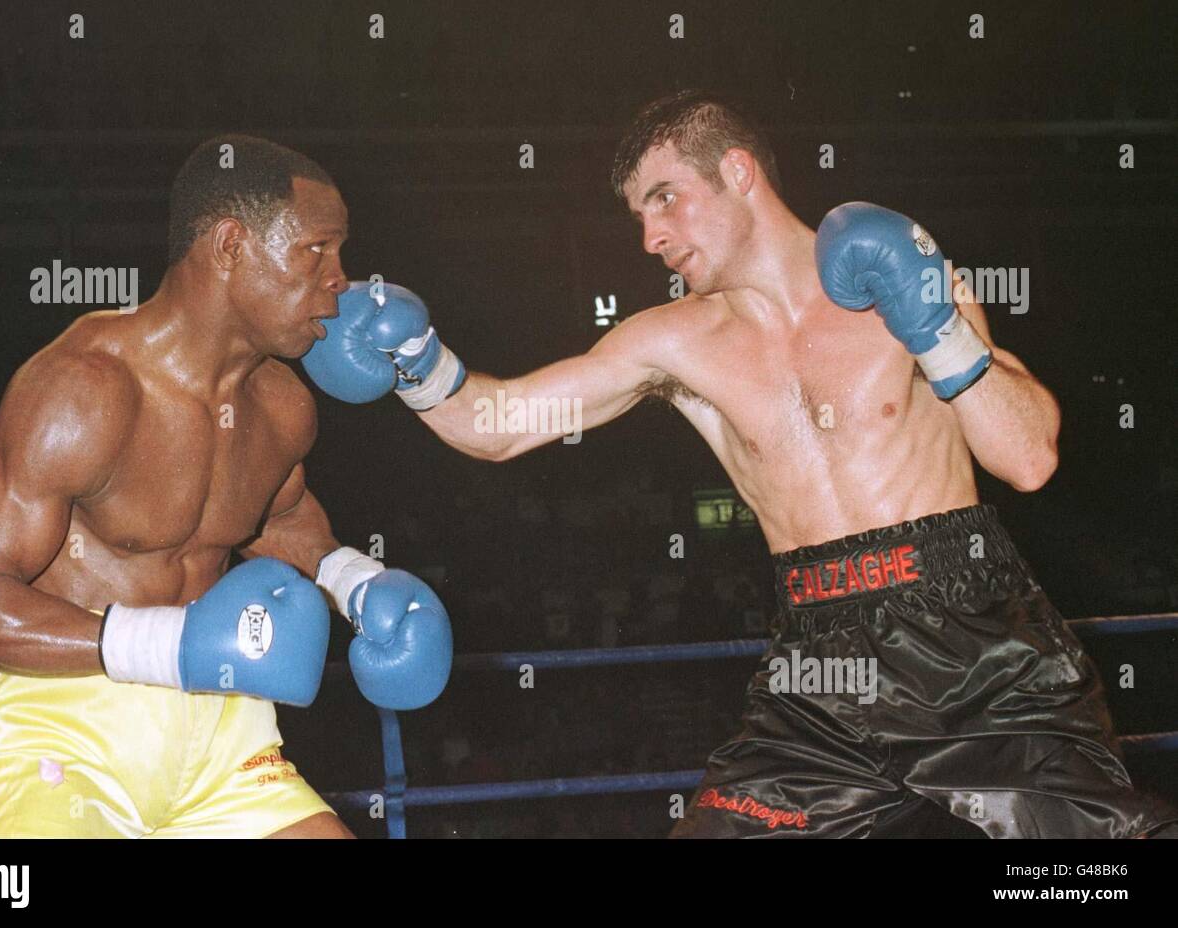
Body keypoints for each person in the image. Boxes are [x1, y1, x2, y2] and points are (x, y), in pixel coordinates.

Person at [301, 91, 1176, 838]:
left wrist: (934, 326)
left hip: (976, 636)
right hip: (818, 669)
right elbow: (500, 424)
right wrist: (418, 360)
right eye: (638, 214)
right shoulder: (674, 342)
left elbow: (1027, 457)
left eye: (664, 198)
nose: (649, 236)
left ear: (740, 174)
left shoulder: (901, 279)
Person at [0, 135, 451, 838]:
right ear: (231, 245)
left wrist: (356, 580)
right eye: (316, 250)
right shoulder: (84, 390)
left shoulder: (281, 405)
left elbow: (280, 518)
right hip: (57, 725)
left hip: (219, 729)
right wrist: (174, 644)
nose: (340, 279)